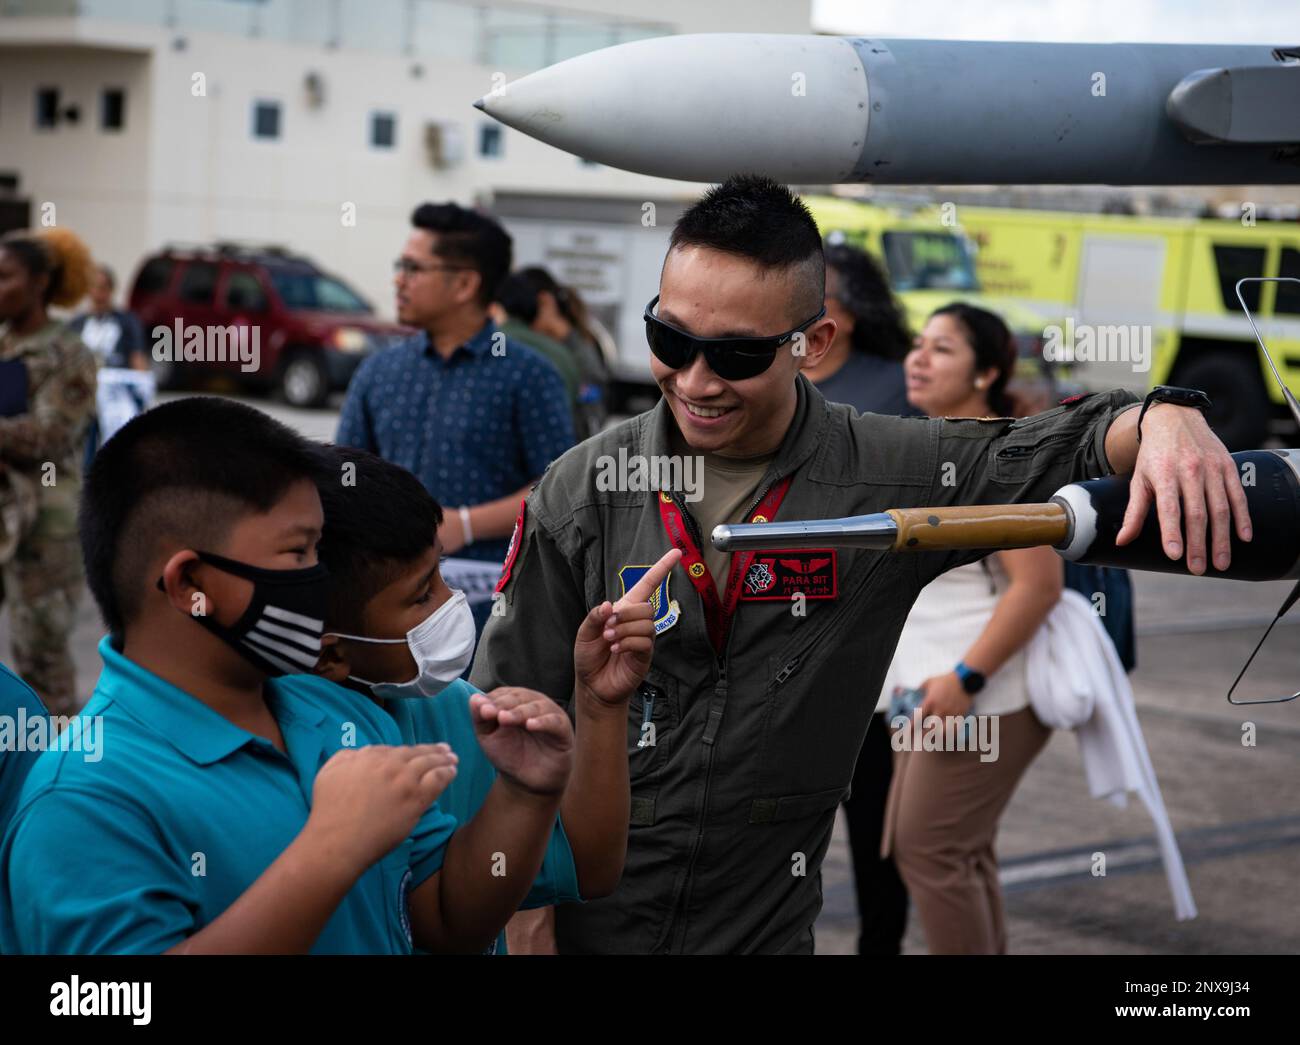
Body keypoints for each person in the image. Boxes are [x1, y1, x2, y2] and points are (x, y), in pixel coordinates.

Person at [470, 174, 1251, 955]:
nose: (696, 380)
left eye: (737, 353)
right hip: (583, 931)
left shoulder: (887, 476)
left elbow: (1051, 447)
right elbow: (501, 712)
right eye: (670, 341)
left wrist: (1164, 414)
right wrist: (524, 907)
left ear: (813, 344)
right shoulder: (583, 492)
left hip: (759, 934)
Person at [0, 397, 571, 954]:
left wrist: (523, 794)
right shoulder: (85, 795)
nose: (322, 583)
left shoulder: (340, 717)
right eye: (299, 555)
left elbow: (444, 922)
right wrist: (330, 850)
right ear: (191, 586)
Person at [308, 444, 680, 952]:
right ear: (331, 654)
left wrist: (599, 703)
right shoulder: (284, 750)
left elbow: (588, 867)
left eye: (440, 572)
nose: (451, 602)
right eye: (421, 597)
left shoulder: (451, 708)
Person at [878, 302, 1064, 954]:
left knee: (930, 851)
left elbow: (1039, 585)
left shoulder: (998, 459)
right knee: (959, 851)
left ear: (985, 371)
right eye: (918, 343)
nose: (918, 358)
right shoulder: (940, 445)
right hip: (930, 689)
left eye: (943, 348)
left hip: (976, 693)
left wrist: (965, 679)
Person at [335, 203, 575, 638]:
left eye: (412, 268)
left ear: (464, 283)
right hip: (385, 605)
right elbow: (344, 476)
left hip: (493, 609)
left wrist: (463, 524)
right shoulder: (378, 371)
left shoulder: (529, 375)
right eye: (400, 266)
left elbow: (558, 490)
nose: (398, 280)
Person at [804, 240, 916, 955]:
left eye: (816, 297)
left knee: (880, 829)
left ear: (844, 314)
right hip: (780, 636)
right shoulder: (768, 383)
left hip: (880, 646)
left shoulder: (898, 386)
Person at [0, 228, 98, 717]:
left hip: (43, 527)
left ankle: (57, 777)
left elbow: (51, 437)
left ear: (40, 283)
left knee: (41, 663)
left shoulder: (68, 354)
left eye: (5, 277)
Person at [803, 239, 916, 417]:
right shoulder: (763, 377)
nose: (797, 305)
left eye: (814, 296)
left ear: (852, 313)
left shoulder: (898, 389)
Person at [498, 267, 611, 438]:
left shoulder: (580, 349)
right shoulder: (567, 343)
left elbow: (592, 415)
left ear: (545, 302)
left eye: (528, 310)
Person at [68, 264, 149, 371]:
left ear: (111, 290)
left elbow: (138, 357)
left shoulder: (127, 322)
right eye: (94, 288)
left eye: (102, 288)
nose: (98, 295)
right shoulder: (77, 323)